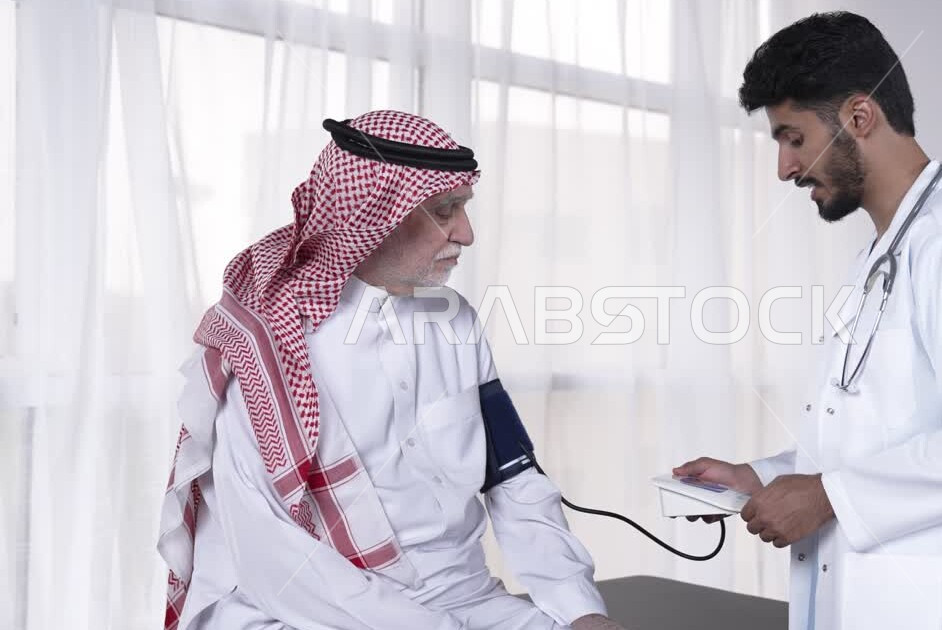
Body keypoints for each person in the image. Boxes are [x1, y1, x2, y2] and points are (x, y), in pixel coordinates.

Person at [674, 12, 942, 630]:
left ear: (858, 116)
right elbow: (873, 437)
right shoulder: (880, 257)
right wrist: (761, 476)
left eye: (793, 138)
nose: (785, 169)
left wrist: (825, 496)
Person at [158, 110, 623, 630]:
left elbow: (514, 481)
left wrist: (580, 608)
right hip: (305, 613)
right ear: (373, 214)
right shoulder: (268, 346)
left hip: (466, 601)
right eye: (445, 210)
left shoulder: (456, 323)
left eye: (463, 207)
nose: (466, 233)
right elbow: (275, 561)